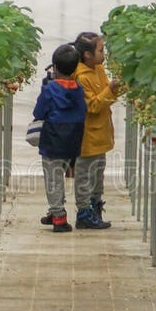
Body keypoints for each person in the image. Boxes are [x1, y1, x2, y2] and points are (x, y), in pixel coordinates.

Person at [32, 44, 87, 232]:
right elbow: (83, 112)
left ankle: (59, 217)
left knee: (53, 178)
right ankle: (56, 209)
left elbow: (39, 112)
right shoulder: (79, 89)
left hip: (53, 140)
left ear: (54, 67)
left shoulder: (50, 89)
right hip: (73, 141)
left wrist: (44, 87)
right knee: (59, 175)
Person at [72, 31, 120, 230]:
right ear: (87, 55)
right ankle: (83, 212)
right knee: (84, 175)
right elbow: (92, 106)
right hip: (88, 137)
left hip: (100, 134)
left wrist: (115, 87)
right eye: (100, 50)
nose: (104, 54)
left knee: (97, 175)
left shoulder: (98, 68)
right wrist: (112, 89)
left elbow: (105, 96)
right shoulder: (81, 77)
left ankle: (94, 206)